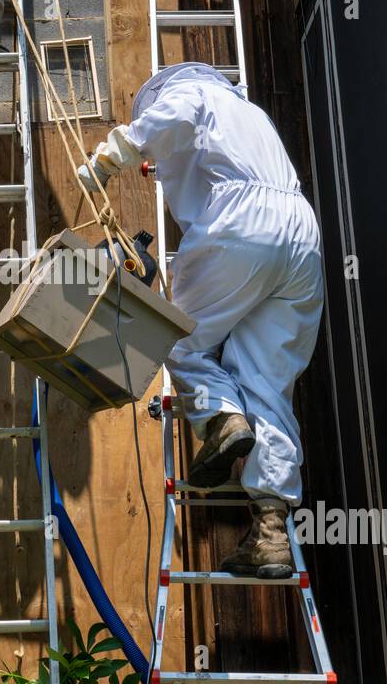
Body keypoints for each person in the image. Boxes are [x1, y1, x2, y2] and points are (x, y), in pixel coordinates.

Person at [78, 62, 323, 578]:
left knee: (179, 337)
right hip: (302, 236)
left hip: (241, 223)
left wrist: (109, 157)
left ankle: (220, 419)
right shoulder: (251, 113)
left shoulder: (191, 94)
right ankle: (272, 527)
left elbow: (176, 115)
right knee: (268, 380)